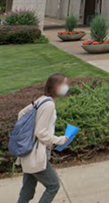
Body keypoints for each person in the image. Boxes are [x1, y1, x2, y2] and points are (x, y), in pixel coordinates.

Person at [16, 73, 70, 203]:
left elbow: (21, 114)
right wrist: (59, 140)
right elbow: (41, 133)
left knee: (27, 191)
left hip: (28, 152)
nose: (67, 87)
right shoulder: (49, 105)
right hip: (36, 154)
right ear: (56, 86)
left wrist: (25, 135)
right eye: (65, 84)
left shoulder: (41, 100)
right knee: (53, 186)